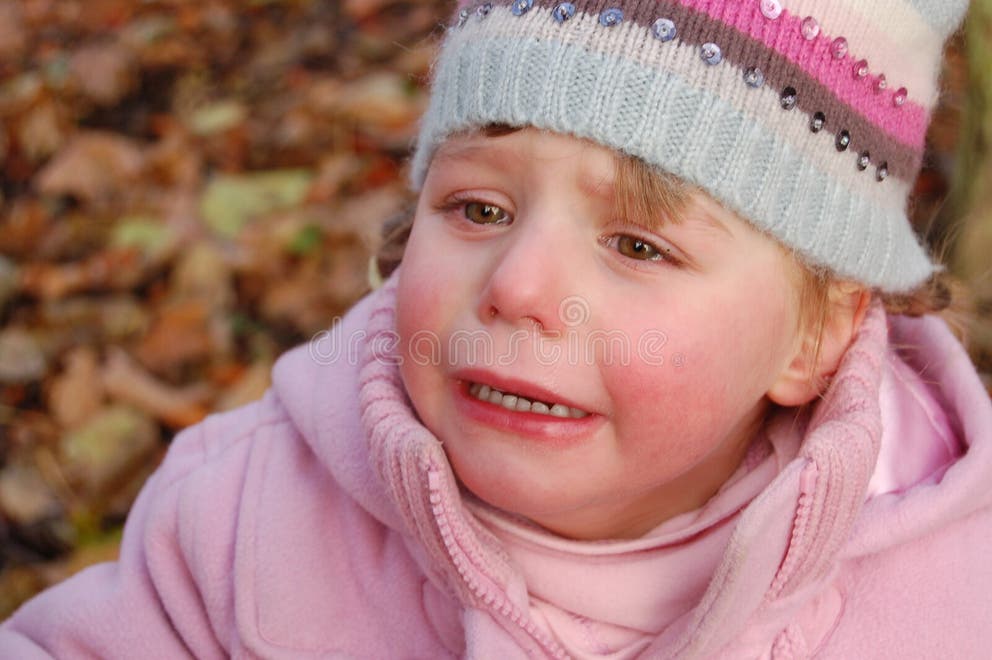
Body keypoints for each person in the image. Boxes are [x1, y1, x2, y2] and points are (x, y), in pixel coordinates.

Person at [3, 0, 991, 657]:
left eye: (638, 246)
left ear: (814, 334)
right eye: (477, 209)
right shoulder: (246, 516)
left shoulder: (948, 590)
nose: (517, 287)